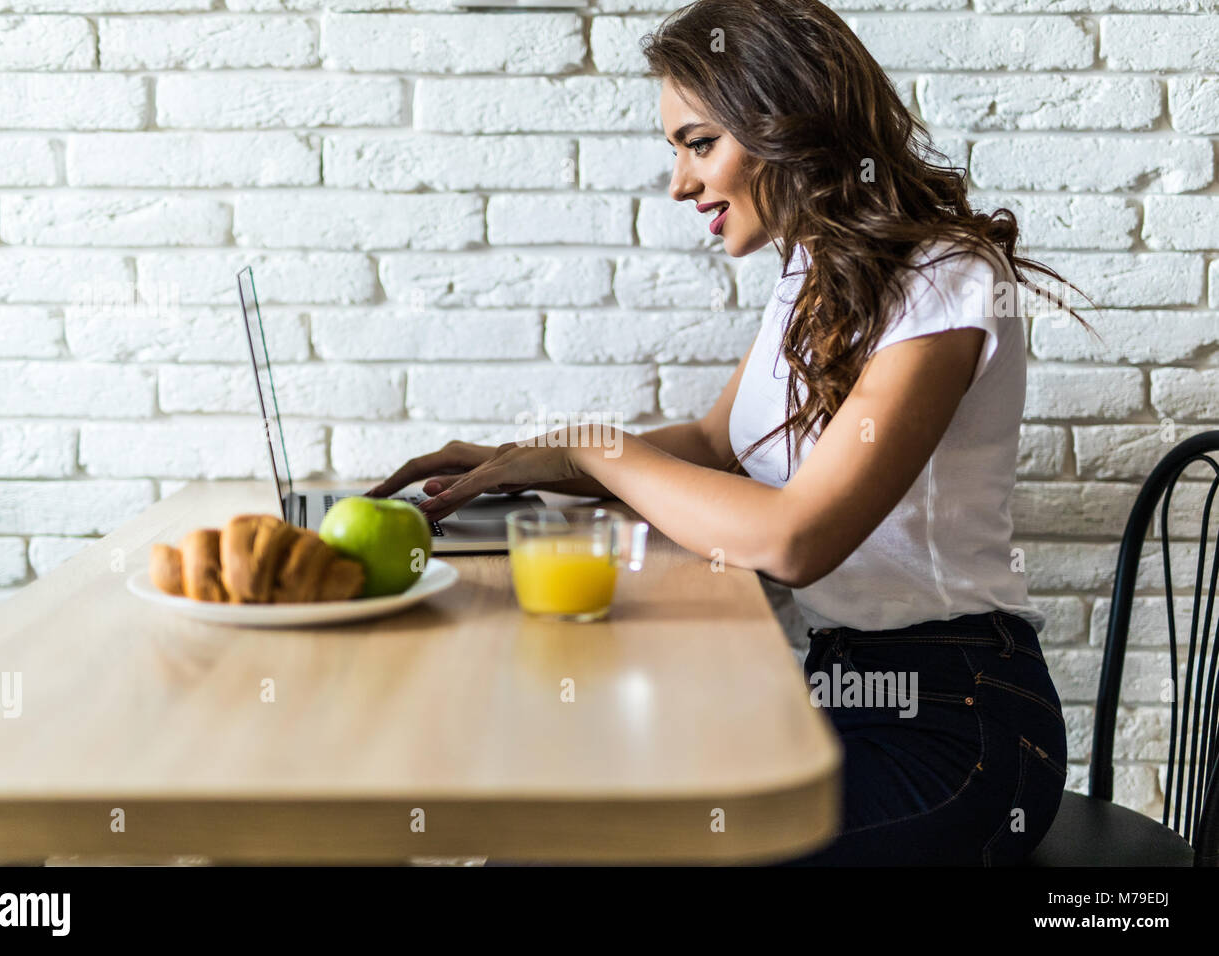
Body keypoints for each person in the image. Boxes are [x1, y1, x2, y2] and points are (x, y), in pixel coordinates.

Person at [367, 0, 1099, 865]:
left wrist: (599, 452)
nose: (679, 182)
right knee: (555, 808)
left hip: (956, 726)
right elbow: (721, 444)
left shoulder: (947, 279)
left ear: (788, 120)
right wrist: (527, 459)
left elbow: (798, 540)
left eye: (699, 142)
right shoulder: (812, 267)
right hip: (833, 692)